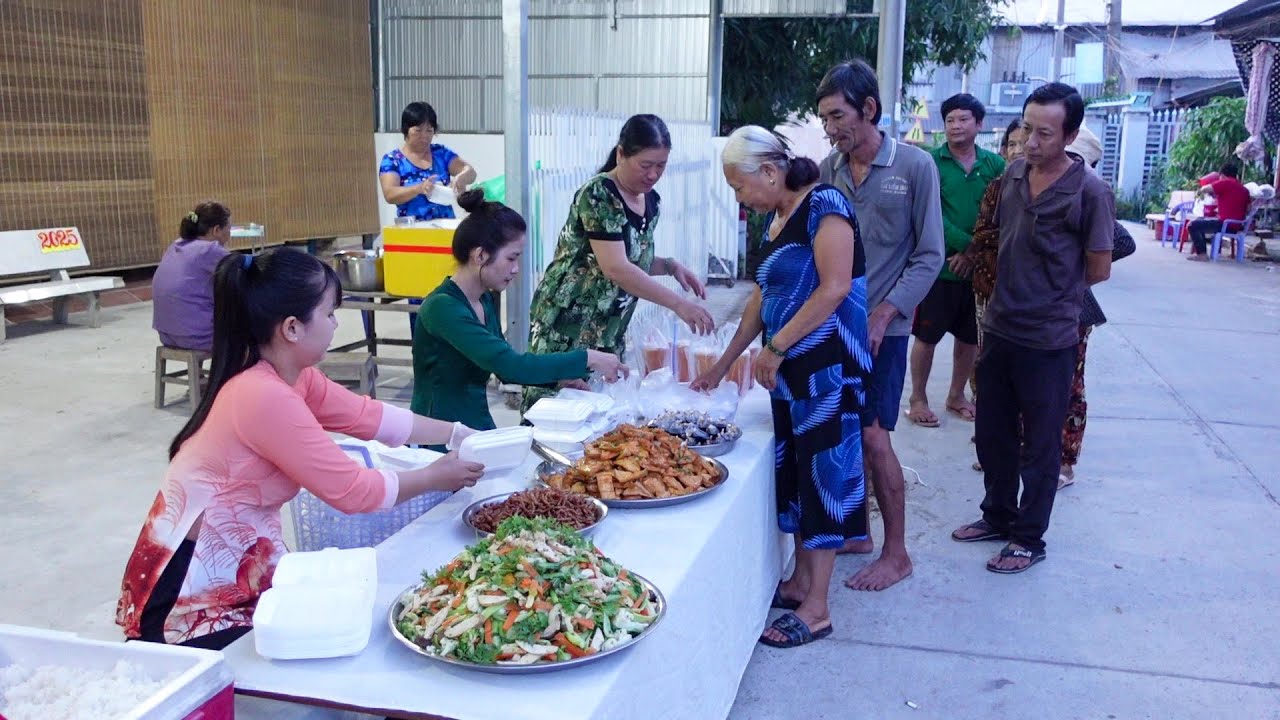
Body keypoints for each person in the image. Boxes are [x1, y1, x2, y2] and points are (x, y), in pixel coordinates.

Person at [117, 248, 485, 650]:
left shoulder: (294, 376)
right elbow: (351, 491)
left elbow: (370, 417)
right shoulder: (261, 394)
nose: (335, 323)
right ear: (292, 327)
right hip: (192, 589)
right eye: (329, 313)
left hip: (241, 565)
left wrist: (459, 435)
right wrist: (435, 476)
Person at [693, 126, 870, 647]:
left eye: (740, 187)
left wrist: (777, 347)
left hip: (825, 370)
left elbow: (835, 288)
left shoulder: (826, 205)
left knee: (822, 478)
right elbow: (760, 300)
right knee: (793, 474)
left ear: (770, 172)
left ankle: (818, 607)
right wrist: (726, 362)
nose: (739, 199)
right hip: (789, 374)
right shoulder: (778, 217)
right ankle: (798, 582)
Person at [951, 83, 1114, 574]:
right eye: (1026, 128)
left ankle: (1028, 538)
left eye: (1045, 133)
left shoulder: (1090, 192)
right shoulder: (1013, 176)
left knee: (1040, 445)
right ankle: (997, 516)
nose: (1031, 142)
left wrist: (1052, 293)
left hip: (1050, 338)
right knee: (991, 433)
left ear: (1070, 133)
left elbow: (1100, 267)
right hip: (1000, 327)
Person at [816, 59, 944, 590]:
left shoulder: (914, 167)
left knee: (874, 436)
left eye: (837, 115)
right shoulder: (830, 169)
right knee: (846, 432)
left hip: (885, 333)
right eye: (823, 118)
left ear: (869, 109)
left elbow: (930, 254)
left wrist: (886, 312)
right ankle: (859, 533)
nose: (829, 128)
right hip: (838, 327)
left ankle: (897, 553)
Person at [523, 114, 714, 412]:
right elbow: (616, 268)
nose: (653, 175)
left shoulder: (651, 201)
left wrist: (671, 267)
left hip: (607, 330)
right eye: (646, 165)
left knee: (600, 414)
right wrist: (679, 304)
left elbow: (635, 259)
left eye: (661, 166)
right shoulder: (599, 195)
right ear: (621, 153)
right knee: (554, 411)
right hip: (567, 325)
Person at [412, 190, 628, 445]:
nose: (516, 269)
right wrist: (589, 357)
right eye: (511, 258)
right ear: (480, 256)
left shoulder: (482, 299)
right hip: (438, 437)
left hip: (476, 428)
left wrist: (560, 378)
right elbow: (511, 366)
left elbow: (504, 367)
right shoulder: (443, 308)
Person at [907, 93, 1005, 427]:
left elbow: (1001, 213)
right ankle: (918, 398)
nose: (955, 126)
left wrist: (973, 253)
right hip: (938, 269)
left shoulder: (994, 165)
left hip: (978, 271)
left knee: (969, 338)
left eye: (963, 119)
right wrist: (964, 248)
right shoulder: (930, 163)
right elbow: (928, 213)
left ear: (979, 124)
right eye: (949, 120)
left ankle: (956, 395)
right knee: (926, 337)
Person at [152, 202, 233, 352]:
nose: (230, 233)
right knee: (256, 332)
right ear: (216, 230)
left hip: (166, 334)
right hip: (198, 337)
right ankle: (236, 374)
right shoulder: (209, 249)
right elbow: (244, 269)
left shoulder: (176, 245)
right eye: (229, 228)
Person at [378, 102, 477, 222]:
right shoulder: (393, 160)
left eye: (429, 131)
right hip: (411, 230)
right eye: (418, 131)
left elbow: (470, 172)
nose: (424, 136)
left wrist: (461, 178)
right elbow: (390, 194)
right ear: (405, 130)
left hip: (445, 227)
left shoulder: (440, 153)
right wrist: (418, 189)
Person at [1187, 162, 1250, 260]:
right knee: (1201, 222)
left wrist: (1213, 186)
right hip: (1238, 226)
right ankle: (1203, 251)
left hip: (1224, 224)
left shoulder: (1225, 182)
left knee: (1192, 225)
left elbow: (1204, 189)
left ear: (1222, 175)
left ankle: (1202, 253)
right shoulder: (1244, 189)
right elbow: (1248, 209)